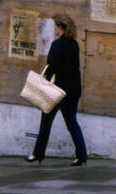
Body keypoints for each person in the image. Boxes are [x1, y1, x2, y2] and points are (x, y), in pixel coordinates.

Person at [27, 12, 89, 166]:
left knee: (46, 121)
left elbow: (52, 67)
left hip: (57, 90)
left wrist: (44, 78)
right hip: (73, 90)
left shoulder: (57, 44)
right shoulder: (74, 44)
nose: (54, 28)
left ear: (60, 26)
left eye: (55, 25)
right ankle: (81, 155)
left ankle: (37, 154)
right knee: (72, 122)